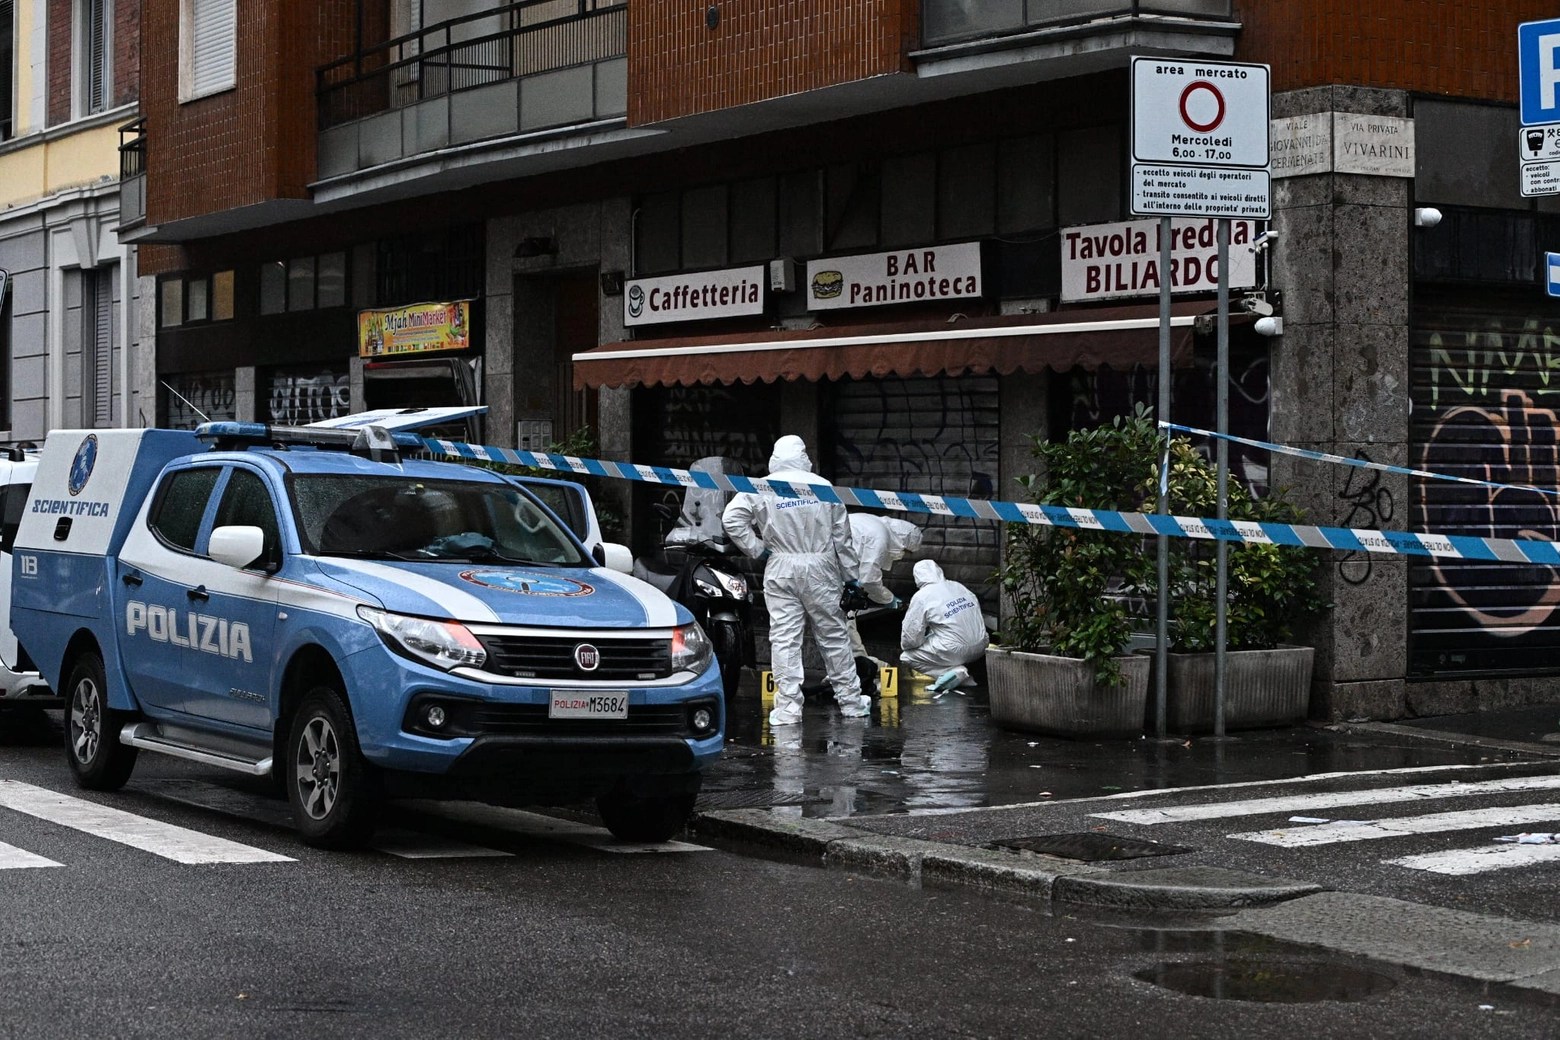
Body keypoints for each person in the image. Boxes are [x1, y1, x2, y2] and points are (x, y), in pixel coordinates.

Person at [723, 435, 870, 727]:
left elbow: (731, 520)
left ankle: (788, 708)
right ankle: (851, 702)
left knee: (784, 639)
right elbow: (842, 537)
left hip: (781, 566)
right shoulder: (822, 485)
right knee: (833, 637)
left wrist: (758, 550)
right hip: (821, 567)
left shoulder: (760, 486)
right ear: (803, 455)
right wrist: (851, 577)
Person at [901, 559, 989, 694]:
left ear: (917, 578)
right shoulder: (958, 586)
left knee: (906, 656)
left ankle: (955, 673)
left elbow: (910, 638)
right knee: (941, 634)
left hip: (953, 650)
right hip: (982, 645)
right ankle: (962, 675)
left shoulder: (922, 596)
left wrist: (917, 643)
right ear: (938, 571)